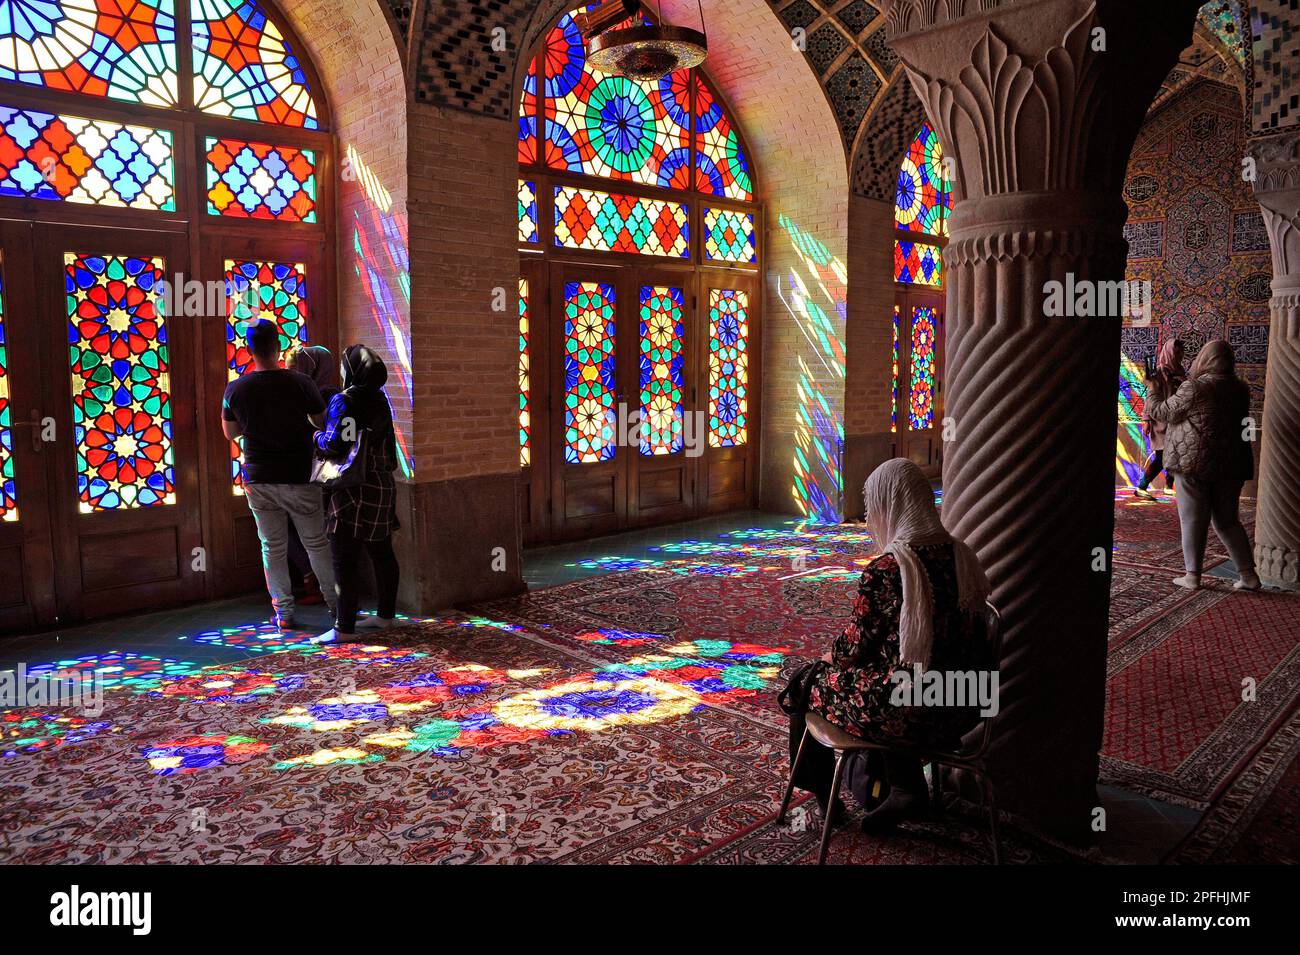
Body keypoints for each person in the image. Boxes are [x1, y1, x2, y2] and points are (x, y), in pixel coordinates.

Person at [804, 458, 993, 832]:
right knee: (890, 680)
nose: (872, 513)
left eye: (874, 504)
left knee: (807, 681)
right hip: (968, 702)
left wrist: (830, 657)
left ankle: (825, 804)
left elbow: (855, 647)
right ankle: (905, 787)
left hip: (915, 710)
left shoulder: (888, 570)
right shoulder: (961, 554)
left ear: (892, 504)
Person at [222, 320, 339, 631]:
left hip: (258, 478)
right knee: (316, 542)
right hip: (299, 474)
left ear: (249, 350)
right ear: (278, 347)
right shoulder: (302, 383)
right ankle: (338, 607)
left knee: (272, 547)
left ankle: (284, 614)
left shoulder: (236, 388)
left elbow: (230, 433)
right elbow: (319, 421)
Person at [1146, 339, 1261, 591]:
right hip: (1231, 465)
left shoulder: (1196, 387)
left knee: (1193, 520)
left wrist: (1152, 388)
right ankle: (1248, 575)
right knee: (1228, 521)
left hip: (1193, 463)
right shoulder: (1240, 388)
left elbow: (1163, 412)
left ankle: (1192, 576)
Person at [314, 345, 401, 641]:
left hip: (352, 488)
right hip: (381, 485)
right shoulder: (380, 399)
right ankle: (386, 616)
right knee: (382, 553)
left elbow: (339, 443)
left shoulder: (345, 400)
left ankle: (344, 628)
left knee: (344, 558)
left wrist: (316, 436)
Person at [284, 345, 339, 604]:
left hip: (319, 474)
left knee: (314, 530)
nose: (290, 374)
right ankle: (311, 581)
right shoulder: (299, 393)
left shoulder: (328, 396)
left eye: (295, 368)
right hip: (298, 469)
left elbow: (331, 437)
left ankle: (317, 585)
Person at [1134, 338, 1186, 500]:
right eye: (1176, 352)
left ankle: (1168, 486)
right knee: (1163, 457)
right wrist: (1146, 419)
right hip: (1160, 421)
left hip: (1174, 420)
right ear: (1169, 352)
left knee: (1173, 454)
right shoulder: (1159, 372)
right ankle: (1141, 487)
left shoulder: (1179, 371)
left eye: (1181, 352)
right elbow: (1151, 395)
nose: (1179, 355)